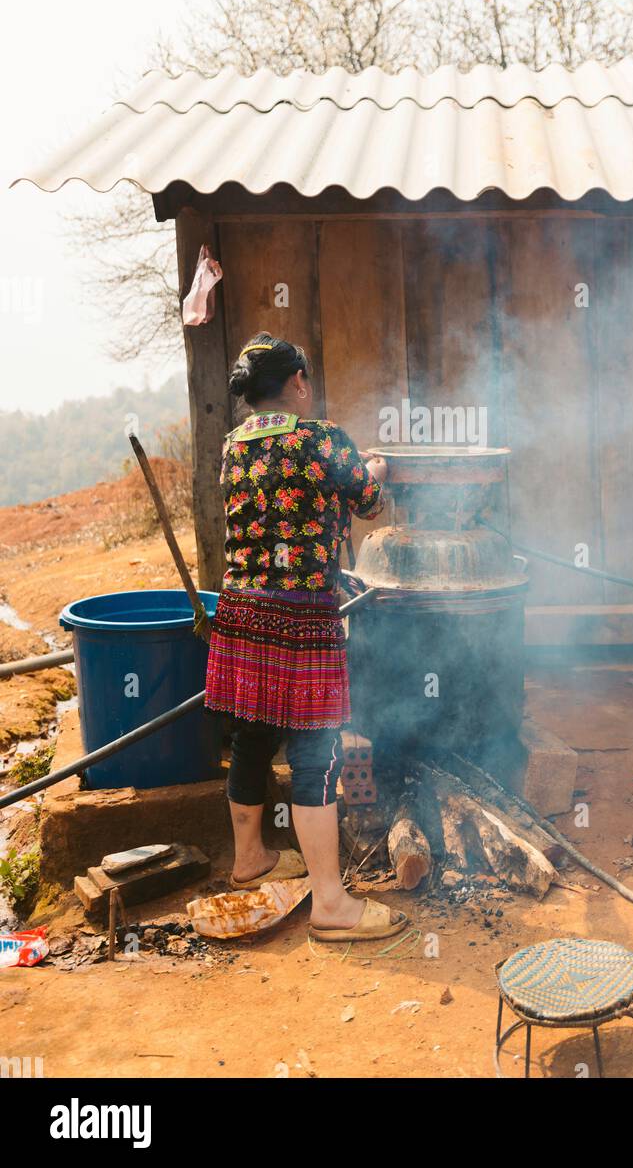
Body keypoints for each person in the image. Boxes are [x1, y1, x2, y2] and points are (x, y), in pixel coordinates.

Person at [204, 331, 407, 942]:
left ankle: (250, 860)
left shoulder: (233, 444)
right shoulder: (322, 438)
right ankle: (331, 904)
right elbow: (369, 501)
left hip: (242, 614)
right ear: (297, 382)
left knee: (252, 736)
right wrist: (376, 466)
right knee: (317, 751)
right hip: (301, 621)